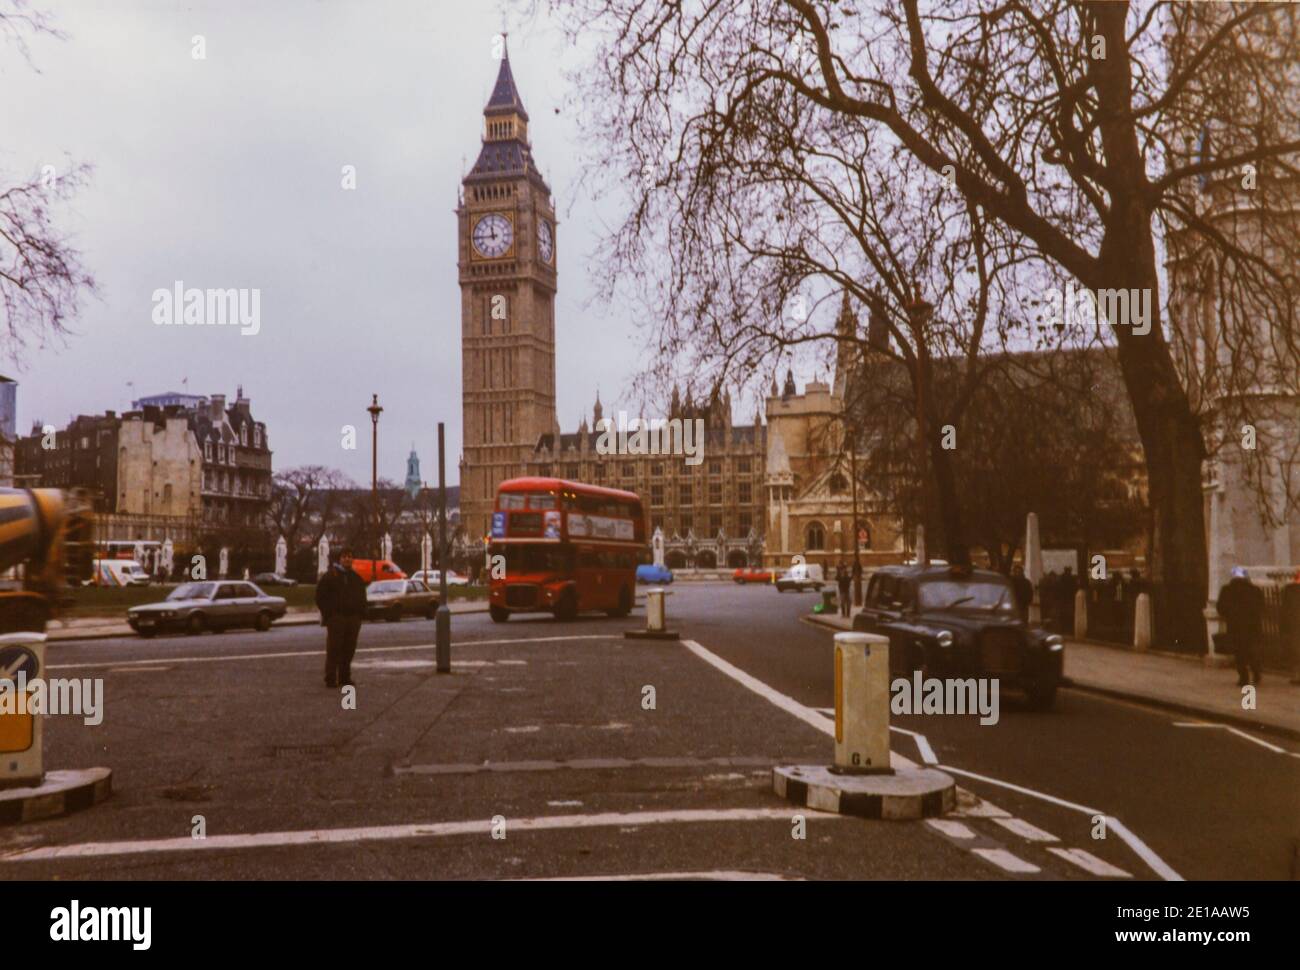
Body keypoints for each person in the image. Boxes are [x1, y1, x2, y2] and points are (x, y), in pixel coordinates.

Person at [315, 547, 367, 688]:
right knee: (334, 650)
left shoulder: (356, 578)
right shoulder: (330, 576)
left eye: (350, 556)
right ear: (339, 559)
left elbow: (363, 598)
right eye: (344, 556)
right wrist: (330, 615)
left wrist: (359, 615)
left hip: (353, 619)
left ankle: (345, 677)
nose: (347, 559)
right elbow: (320, 597)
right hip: (337, 618)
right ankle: (331, 678)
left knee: (349, 649)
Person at [1216, 566, 1265, 688]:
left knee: (1239, 651)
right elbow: (1261, 606)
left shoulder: (1227, 590)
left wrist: (1229, 614)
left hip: (1235, 626)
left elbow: (1220, 607)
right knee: (1252, 649)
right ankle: (1256, 672)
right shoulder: (1255, 590)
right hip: (1252, 626)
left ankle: (1243, 677)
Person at [1281, 570, 1300, 686]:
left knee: (1295, 651)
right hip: (1294, 624)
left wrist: (1283, 626)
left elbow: (1284, 610)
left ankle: (1296, 675)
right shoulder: (1289, 590)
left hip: (1294, 625)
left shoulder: (1289, 590)